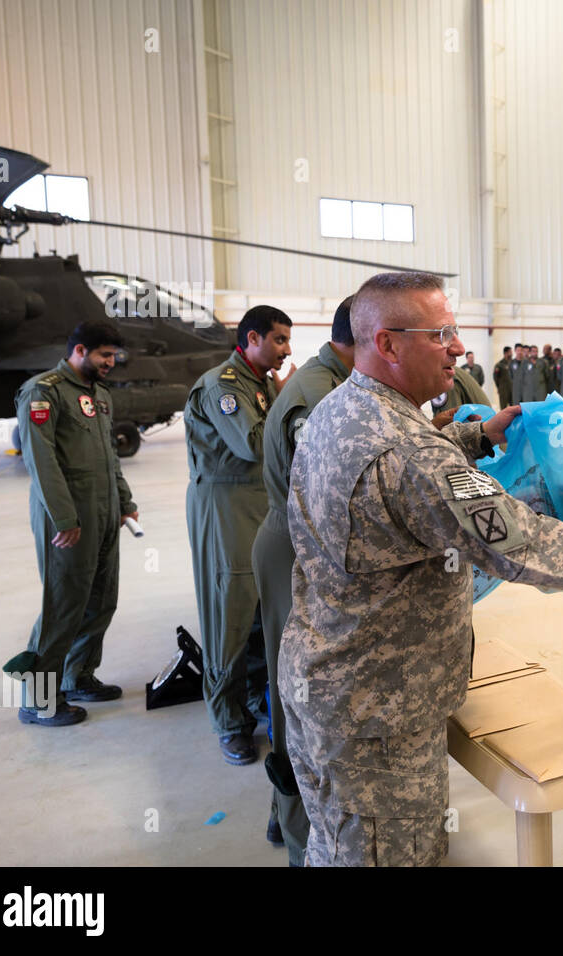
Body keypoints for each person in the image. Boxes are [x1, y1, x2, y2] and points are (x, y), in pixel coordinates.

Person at [276, 272, 563, 867]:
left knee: (337, 846)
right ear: (388, 343)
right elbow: (519, 544)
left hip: (330, 683)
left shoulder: (341, 409)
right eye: (440, 332)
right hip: (379, 715)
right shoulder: (412, 455)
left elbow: (410, 472)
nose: (459, 347)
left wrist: (475, 436)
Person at [251, 298, 353, 864]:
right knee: (299, 694)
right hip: (296, 553)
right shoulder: (320, 395)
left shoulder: (335, 383)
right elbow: (332, 496)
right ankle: (297, 837)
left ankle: (284, 815)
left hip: (306, 548)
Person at [11, 321, 138, 727]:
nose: (110, 363)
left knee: (101, 599)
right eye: (104, 355)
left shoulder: (99, 397)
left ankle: (77, 675)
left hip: (103, 515)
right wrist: (64, 518)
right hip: (65, 519)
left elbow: (109, 457)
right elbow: (41, 461)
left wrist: (124, 501)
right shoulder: (43, 392)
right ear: (79, 350)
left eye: (113, 356)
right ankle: (39, 700)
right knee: (63, 606)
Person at [184, 304, 293, 765]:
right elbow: (250, 443)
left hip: (259, 503)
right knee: (228, 616)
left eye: (287, 340)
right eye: (278, 340)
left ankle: (253, 703)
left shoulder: (262, 384)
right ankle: (228, 722)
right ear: (251, 339)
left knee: (259, 615)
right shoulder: (222, 386)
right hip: (225, 506)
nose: (286, 350)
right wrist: (289, 404)